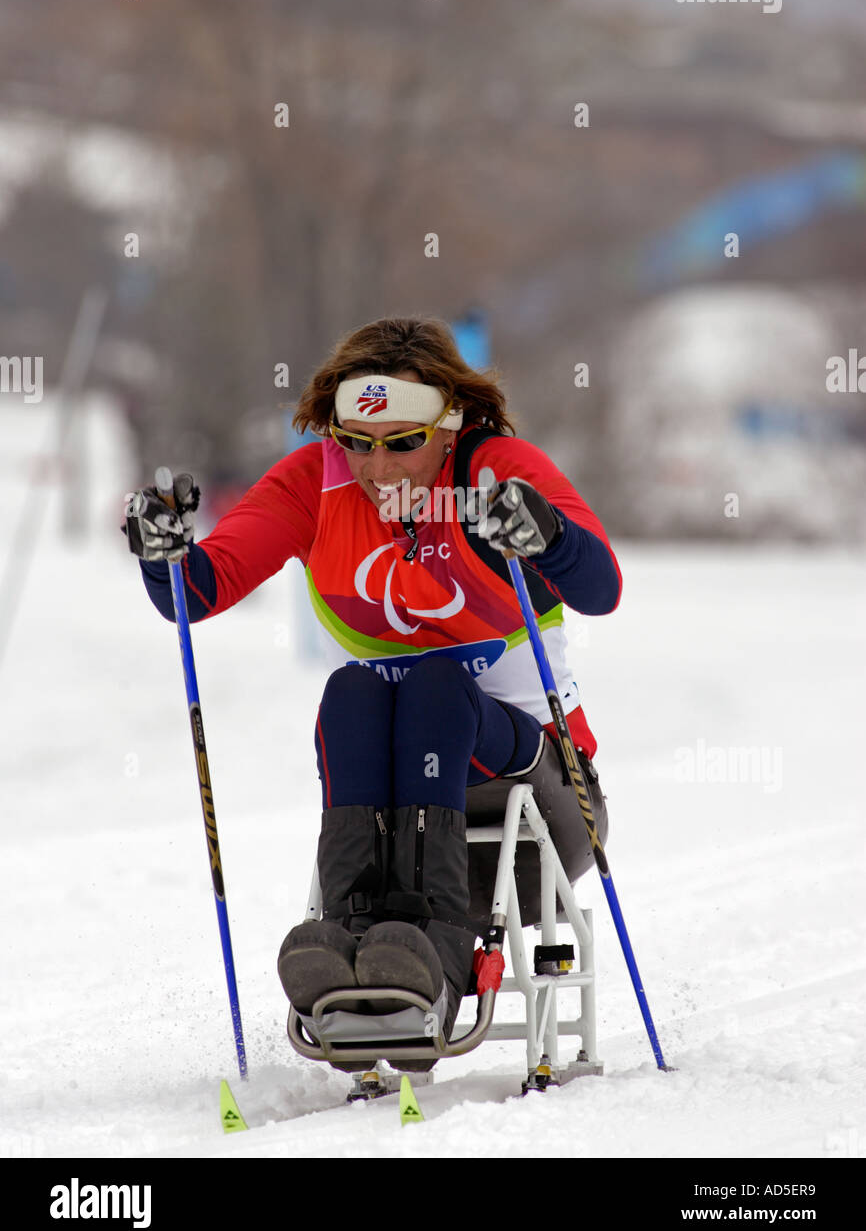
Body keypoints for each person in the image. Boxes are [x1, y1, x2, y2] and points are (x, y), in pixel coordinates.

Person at [124, 316, 622, 1070]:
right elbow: (200, 589)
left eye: (402, 444)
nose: (377, 469)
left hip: (539, 805)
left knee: (432, 684)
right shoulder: (314, 484)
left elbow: (602, 588)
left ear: (450, 423)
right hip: (400, 802)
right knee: (353, 691)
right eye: (356, 442)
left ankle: (444, 948)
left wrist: (546, 535)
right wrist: (162, 552)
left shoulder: (493, 472)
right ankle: (354, 936)